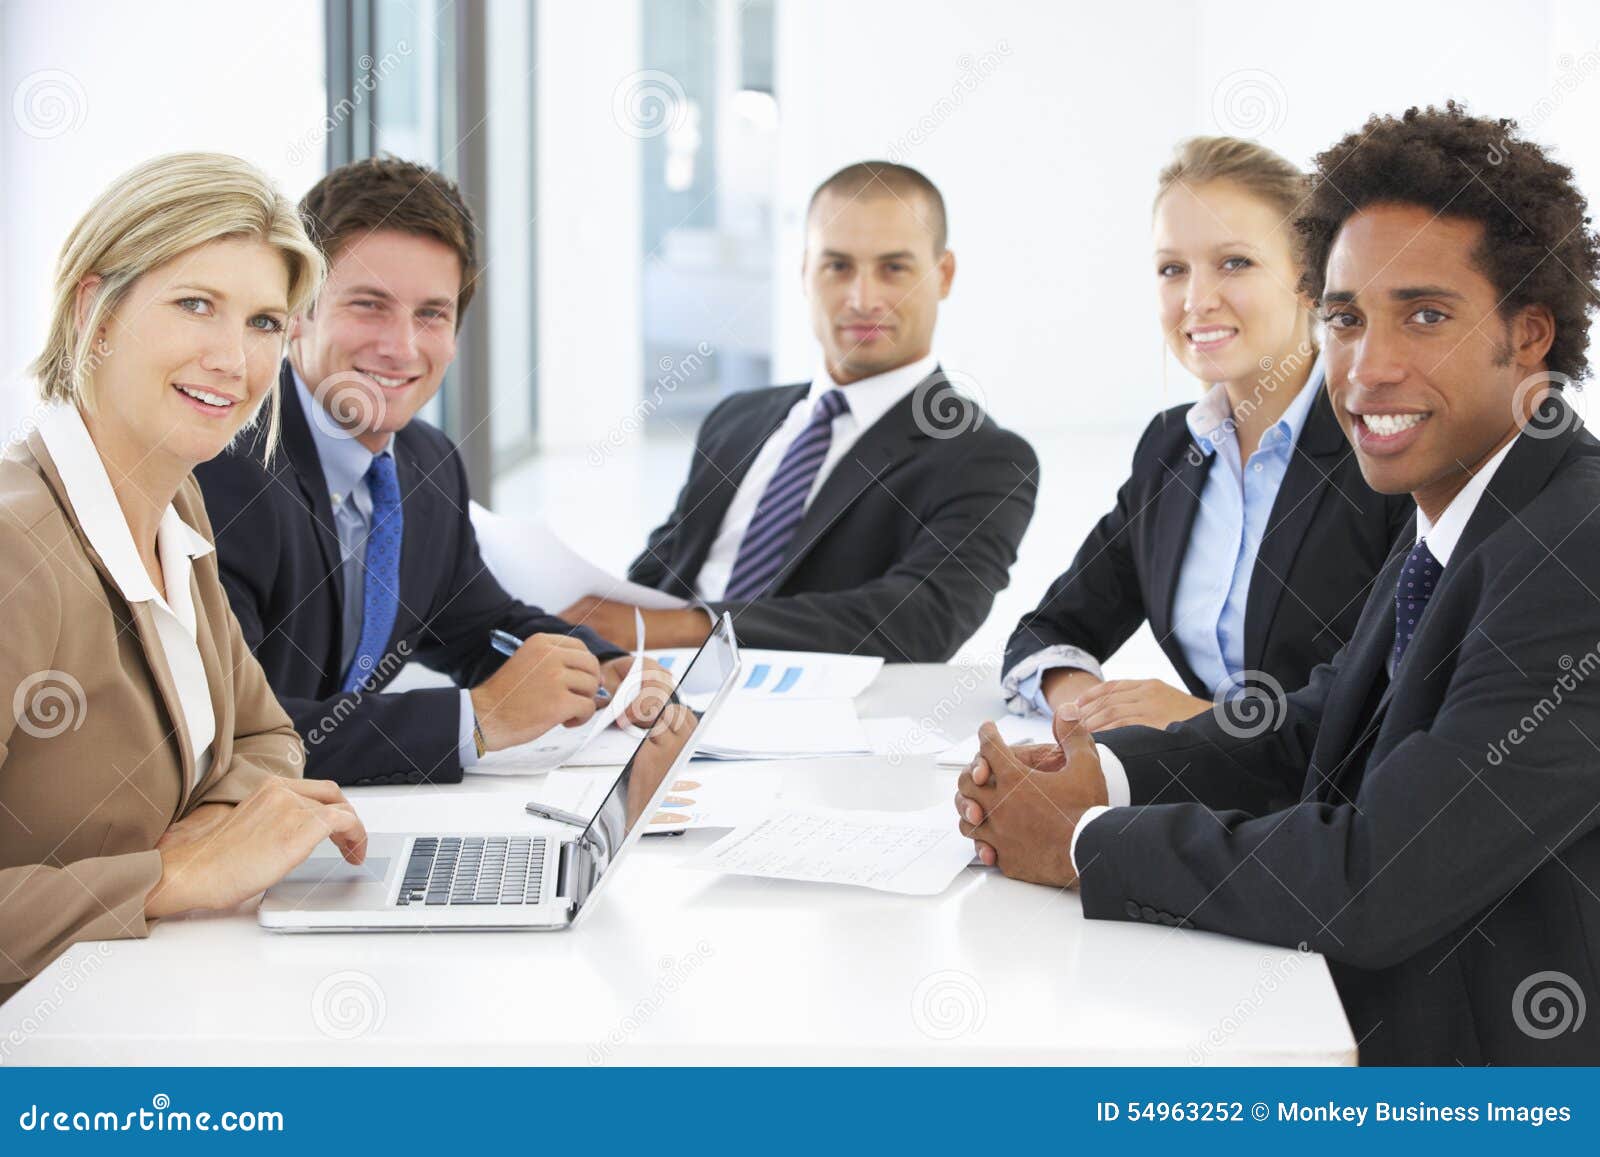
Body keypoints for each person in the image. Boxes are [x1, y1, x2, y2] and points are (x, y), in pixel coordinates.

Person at [956, 104, 1600, 1065]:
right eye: (1345, 317)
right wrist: (1112, 770)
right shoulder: (1465, 505)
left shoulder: (1575, 550)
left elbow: (1384, 874)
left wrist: (1091, 840)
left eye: (1425, 315)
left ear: (1532, 335)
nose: (1367, 367)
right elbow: (1321, 720)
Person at [0, 153, 368, 1005]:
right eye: (196, 304)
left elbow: (265, 737)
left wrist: (212, 829)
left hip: (145, 1005)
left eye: (265, 323)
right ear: (96, 309)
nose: (233, 359)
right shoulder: (18, 547)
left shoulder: (177, 507)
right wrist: (168, 875)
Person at [195, 157, 652, 788]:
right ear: (297, 313)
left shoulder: (426, 462)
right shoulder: (223, 467)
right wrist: (479, 719)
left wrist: (605, 666)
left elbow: (473, 625)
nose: (402, 347)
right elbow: (229, 738)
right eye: (369, 305)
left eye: (432, 314)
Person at [1004, 138, 1412, 735]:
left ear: (1310, 279)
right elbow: (1050, 630)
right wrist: (1090, 708)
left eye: (1235, 263)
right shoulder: (1172, 447)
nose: (1196, 301)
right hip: (1195, 801)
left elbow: (1392, 697)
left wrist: (1205, 725)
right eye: (1173, 269)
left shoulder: (1379, 439)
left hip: (1326, 814)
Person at [564, 161, 1039, 662]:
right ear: (804, 274)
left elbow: (922, 619)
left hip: (804, 714)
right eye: (837, 266)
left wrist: (689, 628)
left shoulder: (985, 458)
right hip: (649, 695)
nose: (862, 298)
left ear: (943, 276)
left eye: (893, 269)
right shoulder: (736, 420)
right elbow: (657, 576)